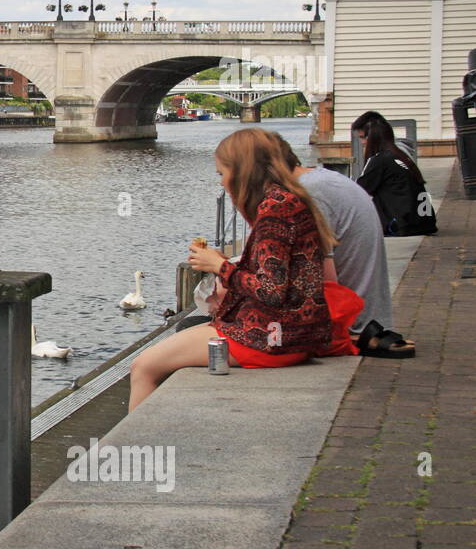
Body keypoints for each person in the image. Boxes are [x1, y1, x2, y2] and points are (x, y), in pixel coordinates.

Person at [129, 128, 361, 411]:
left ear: (241, 172)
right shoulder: (288, 201)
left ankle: (134, 453)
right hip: (293, 334)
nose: (222, 182)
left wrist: (219, 266)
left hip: (270, 339)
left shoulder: (276, 210)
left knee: (143, 366)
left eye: (221, 173)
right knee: (179, 338)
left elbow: (272, 291)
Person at [269, 132, 414, 358]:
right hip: (367, 317)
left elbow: (324, 280)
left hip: (350, 326)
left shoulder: (308, 193)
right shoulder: (322, 179)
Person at [351, 111, 437, 236]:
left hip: (402, 225)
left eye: (362, 137)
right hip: (424, 222)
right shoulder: (402, 155)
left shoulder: (379, 160)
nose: (362, 143)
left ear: (372, 137)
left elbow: (358, 191)